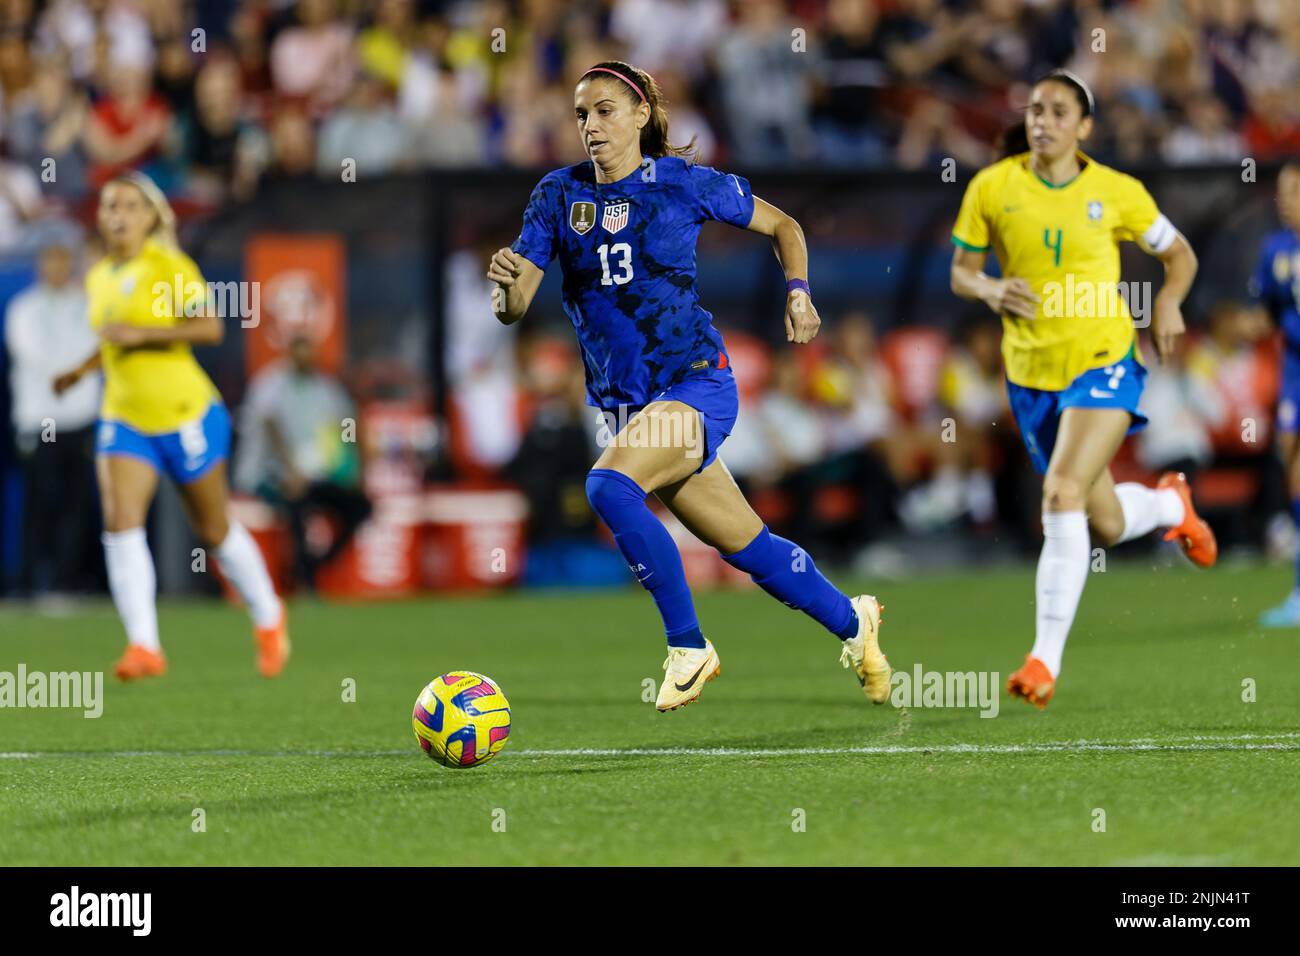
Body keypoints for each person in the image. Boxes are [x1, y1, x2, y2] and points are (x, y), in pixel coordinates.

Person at [488, 60, 889, 712]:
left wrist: (798, 293)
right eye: (581, 114)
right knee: (750, 548)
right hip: (628, 409)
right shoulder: (558, 196)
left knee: (608, 486)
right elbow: (516, 305)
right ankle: (854, 622)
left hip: (697, 383)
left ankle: (689, 646)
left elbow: (784, 227)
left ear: (641, 114)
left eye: (605, 111)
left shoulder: (681, 183)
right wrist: (507, 287)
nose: (591, 125)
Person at [950, 70, 1215, 709]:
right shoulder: (992, 187)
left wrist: (1171, 304)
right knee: (1106, 520)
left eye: (1059, 111)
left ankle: (1043, 659)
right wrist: (990, 289)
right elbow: (962, 272)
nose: (1043, 120)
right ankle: (1171, 507)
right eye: (1036, 109)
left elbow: (1178, 255)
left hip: (1104, 360)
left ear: (1084, 127)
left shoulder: (1117, 192)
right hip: (1031, 375)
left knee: (1060, 492)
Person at [51, 172, 288, 681]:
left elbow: (209, 326)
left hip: (184, 413)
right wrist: (80, 371)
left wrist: (142, 332)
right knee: (120, 521)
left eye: (131, 206)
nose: (118, 214)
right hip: (124, 415)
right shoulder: (99, 276)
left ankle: (268, 616)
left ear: (151, 217)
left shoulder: (169, 266)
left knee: (214, 529)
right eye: (111, 205)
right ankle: (144, 644)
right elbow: (115, 339)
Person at [235, 334, 371, 591]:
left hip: (316, 474)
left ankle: (314, 565)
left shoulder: (326, 387)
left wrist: (356, 465)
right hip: (270, 475)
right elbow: (271, 426)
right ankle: (303, 579)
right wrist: (289, 469)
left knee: (360, 506)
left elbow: (347, 423)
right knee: (296, 505)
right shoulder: (271, 384)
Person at [5, 242, 99, 595]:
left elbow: (97, 351)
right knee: (39, 501)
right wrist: (72, 372)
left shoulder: (86, 306)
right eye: (51, 260)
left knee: (77, 504)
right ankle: (28, 583)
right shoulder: (24, 309)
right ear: (40, 266)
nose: (57, 267)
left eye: (63, 260)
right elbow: (34, 357)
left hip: (80, 418)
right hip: (40, 419)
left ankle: (65, 582)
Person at [1254, 163, 1300, 626]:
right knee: (1293, 463)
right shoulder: (1275, 249)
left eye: (1293, 191)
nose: (1283, 200)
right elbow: (1267, 312)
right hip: (1296, 372)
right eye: (1282, 192)